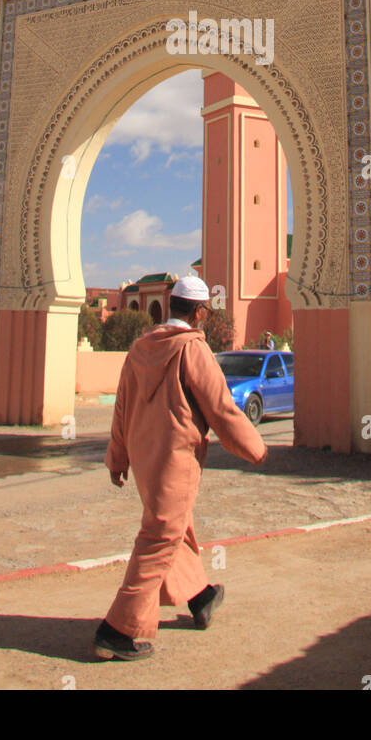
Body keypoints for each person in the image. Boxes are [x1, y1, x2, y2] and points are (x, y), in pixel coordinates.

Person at [94, 275, 267, 660]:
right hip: (177, 459)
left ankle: (199, 595)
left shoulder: (140, 348)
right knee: (161, 534)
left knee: (176, 525)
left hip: (145, 458)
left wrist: (117, 457)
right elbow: (221, 408)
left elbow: (122, 406)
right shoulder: (193, 350)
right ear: (201, 311)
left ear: (171, 305)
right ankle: (118, 629)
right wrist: (256, 450)